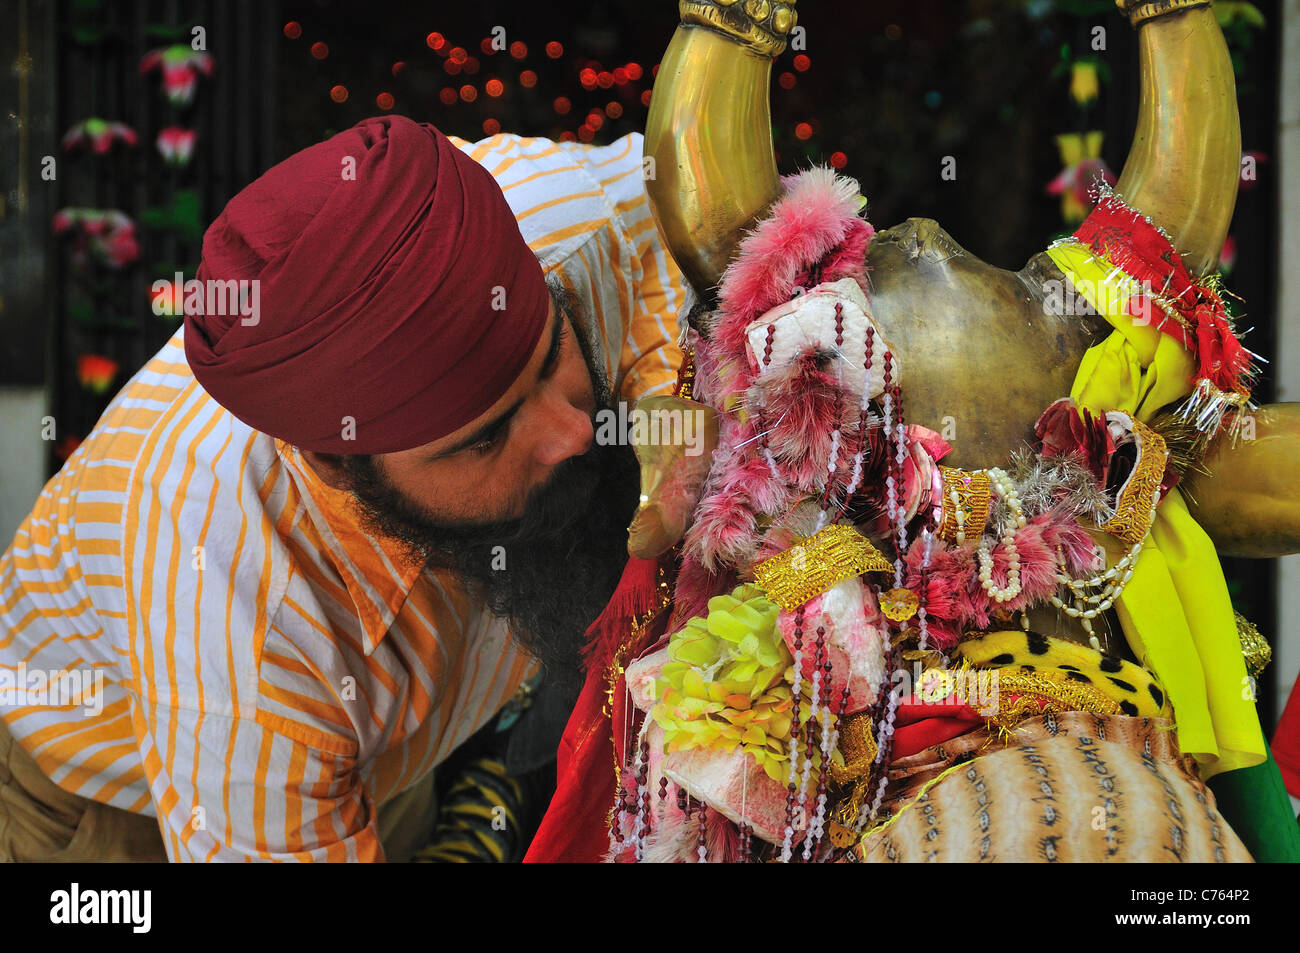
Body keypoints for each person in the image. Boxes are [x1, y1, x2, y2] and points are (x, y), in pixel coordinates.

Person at [0, 115, 686, 861]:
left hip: (381, 759)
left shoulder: (576, 219)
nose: (574, 432)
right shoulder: (242, 628)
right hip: (114, 814)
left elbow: (714, 210)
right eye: (486, 436)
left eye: (552, 349)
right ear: (337, 465)